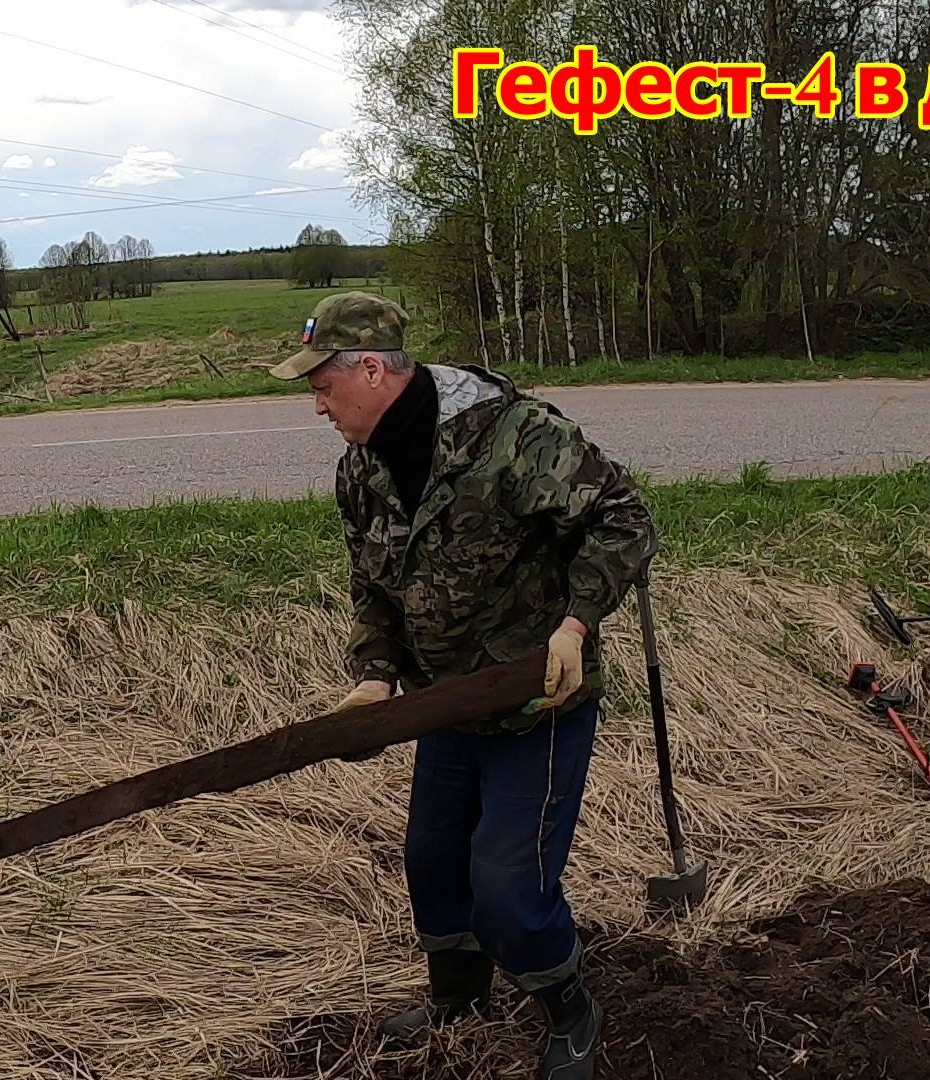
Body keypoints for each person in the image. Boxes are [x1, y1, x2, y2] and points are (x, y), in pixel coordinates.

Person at [269, 291, 657, 1080]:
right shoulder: (362, 470)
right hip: (445, 704)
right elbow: (371, 586)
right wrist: (375, 679)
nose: (316, 406)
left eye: (322, 386)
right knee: (434, 864)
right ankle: (459, 999)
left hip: (536, 703)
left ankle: (570, 1011)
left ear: (371, 369)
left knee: (509, 893)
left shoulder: (514, 439)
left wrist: (576, 627)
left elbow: (624, 520)